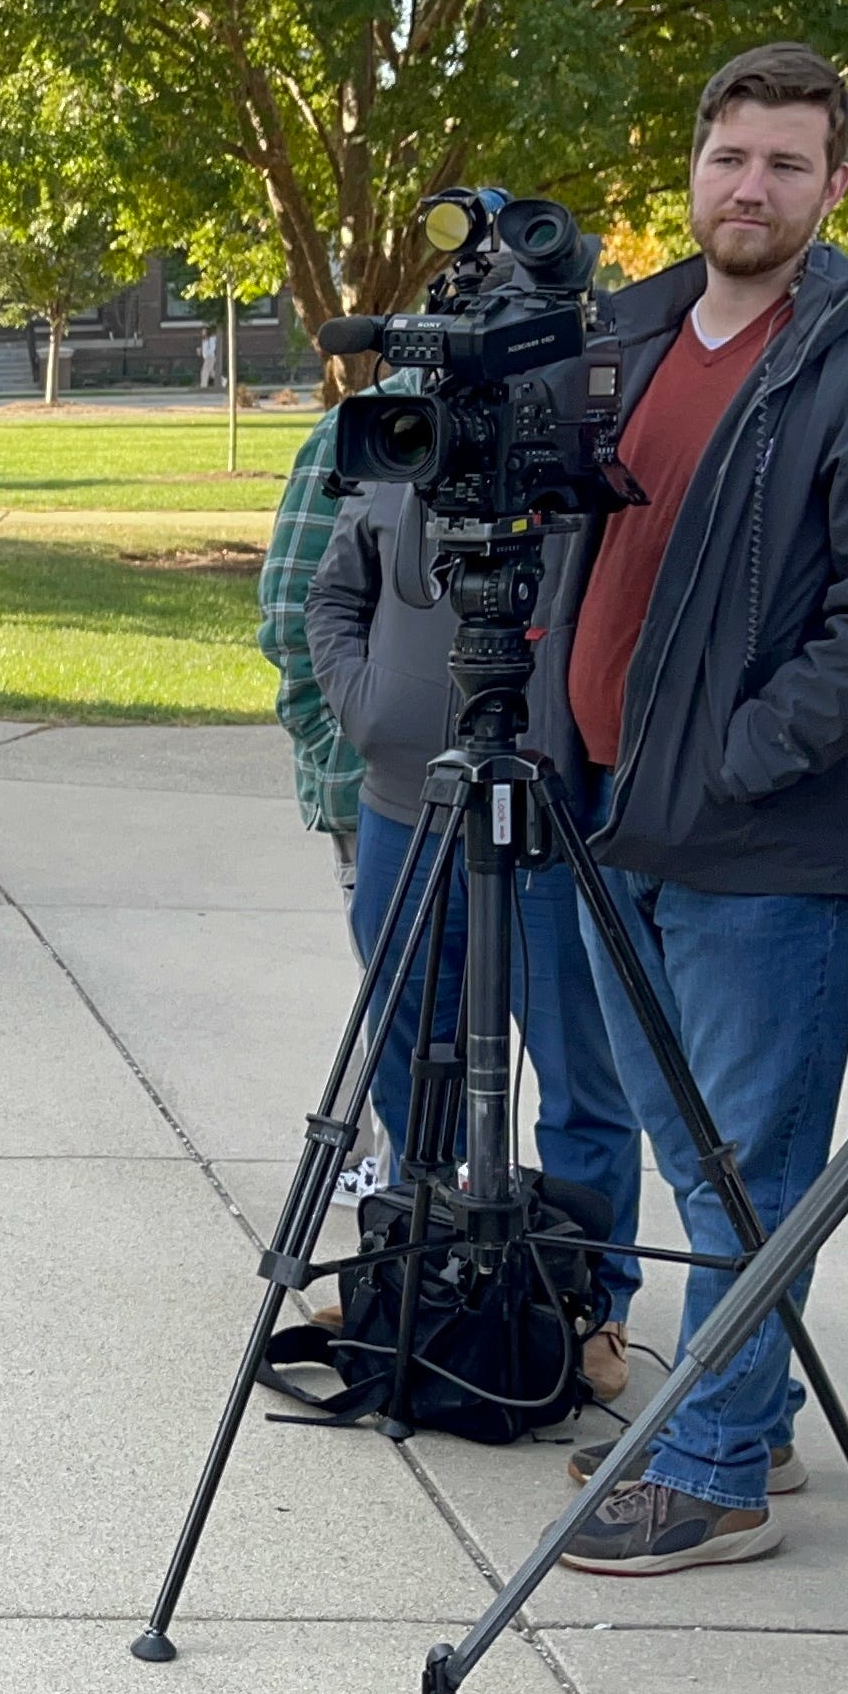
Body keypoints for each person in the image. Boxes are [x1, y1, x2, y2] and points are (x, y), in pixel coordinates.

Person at [543, 44, 848, 1574]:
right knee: (692, 1150)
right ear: (697, 165)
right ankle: (758, 1413)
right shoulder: (638, 330)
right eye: (734, 158)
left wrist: (736, 757)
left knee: (745, 1168)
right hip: (611, 817)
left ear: (835, 185)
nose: (753, 187)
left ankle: (716, 1468)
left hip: (757, 847)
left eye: (790, 165)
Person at [304, 455, 649, 1401]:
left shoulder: (587, 442)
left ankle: (592, 1301)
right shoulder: (401, 438)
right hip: (402, 802)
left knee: (581, 1066)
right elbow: (332, 597)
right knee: (412, 1045)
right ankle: (408, 1262)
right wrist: (369, 708)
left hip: (551, 807)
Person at [256, 393, 384, 1205]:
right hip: (376, 780)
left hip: (527, 779)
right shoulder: (364, 429)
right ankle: (390, 1182)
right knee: (397, 988)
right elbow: (293, 609)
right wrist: (340, 733)